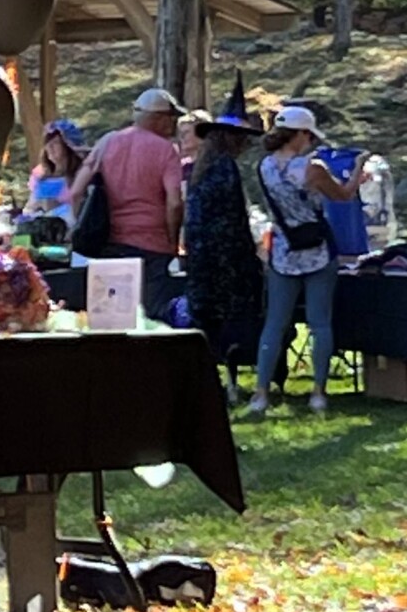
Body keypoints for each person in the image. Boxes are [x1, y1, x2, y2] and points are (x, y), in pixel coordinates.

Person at [251, 104, 360, 415]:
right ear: (299, 134)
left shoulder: (265, 167)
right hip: (317, 251)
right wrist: (357, 173)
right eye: (309, 135)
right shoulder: (313, 169)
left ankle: (260, 393)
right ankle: (318, 393)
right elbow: (343, 195)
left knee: (274, 323)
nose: (311, 141)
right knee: (320, 323)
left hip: (283, 250)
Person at [66, 88, 185, 317]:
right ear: (159, 119)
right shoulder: (166, 150)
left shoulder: (107, 142)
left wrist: (82, 229)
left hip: (110, 247)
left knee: (113, 319)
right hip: (153, 249)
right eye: (172, 118)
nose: (174, 124)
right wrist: (172, 243)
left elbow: (75, 192)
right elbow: (174, 203)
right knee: (151, 322)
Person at [182, 94, 263, 398]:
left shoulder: (201, 170)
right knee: (230, 323)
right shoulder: (225, 168)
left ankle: (213, 380)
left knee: (209, 324)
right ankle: (228, 382)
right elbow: (234, 220)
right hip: (224, 261)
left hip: (202, 260)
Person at [28, 120, 86, 220]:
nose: (49, 147)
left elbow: (82, 209)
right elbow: (29, 207)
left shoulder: (81, 175)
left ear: (68, 146)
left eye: (56, 143)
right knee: (19, 235)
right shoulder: (40, 175)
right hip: (40, 227)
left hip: (67, 230)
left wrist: (56, 205)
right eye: (48, 143)